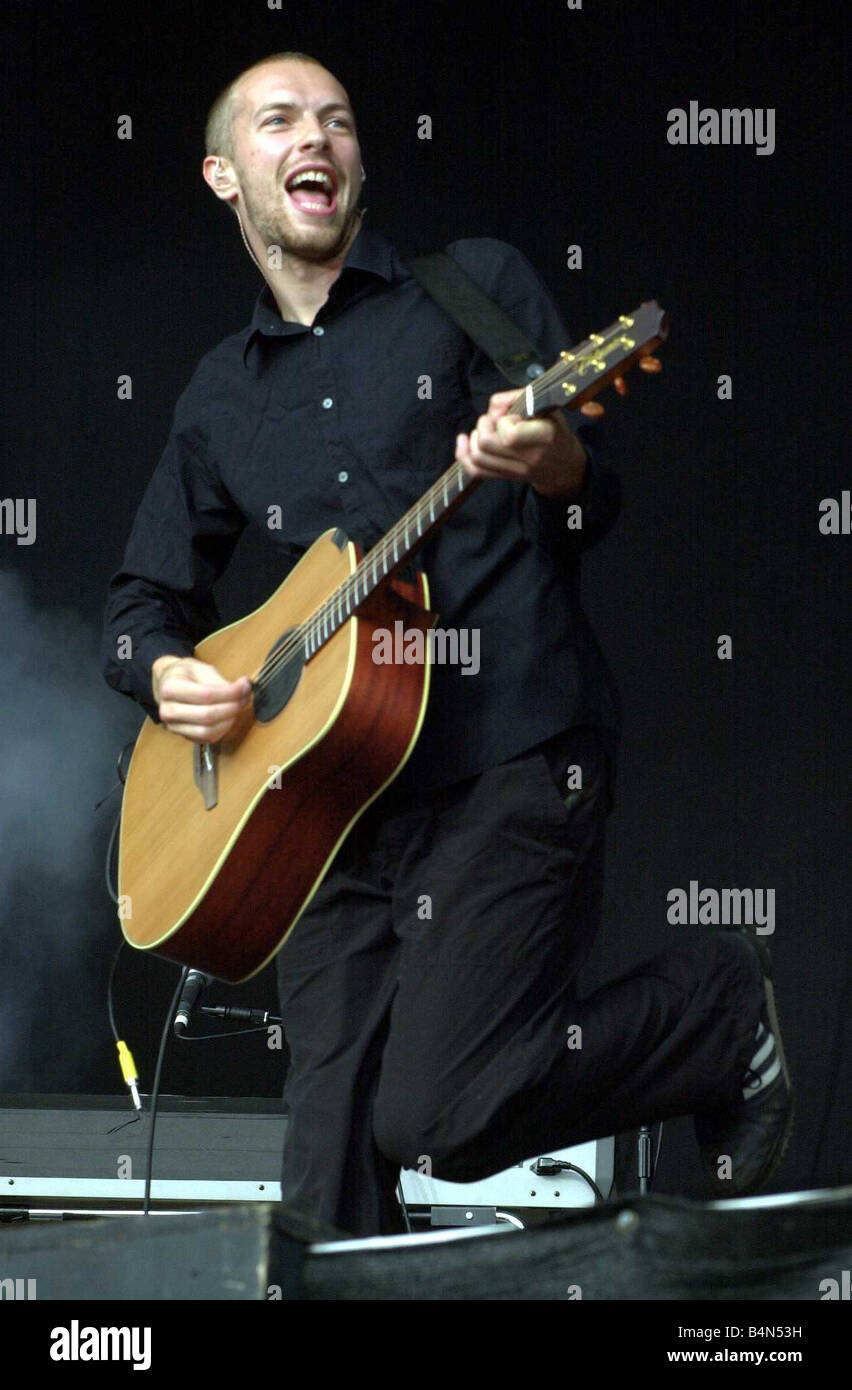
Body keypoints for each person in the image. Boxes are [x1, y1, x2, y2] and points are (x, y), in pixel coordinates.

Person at [101, 51, 794, 1237]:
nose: (317, 136)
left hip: (508, 752)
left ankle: (721, 1011)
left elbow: (587, 498)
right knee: (325, 1184)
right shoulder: (218, 394)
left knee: (440, 1111)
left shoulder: (468, 286)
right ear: (226, 175)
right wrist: (167, 675)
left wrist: (553, 458)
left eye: (339, 119)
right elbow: (136, 607)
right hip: (329, 804)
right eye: (280, 121)